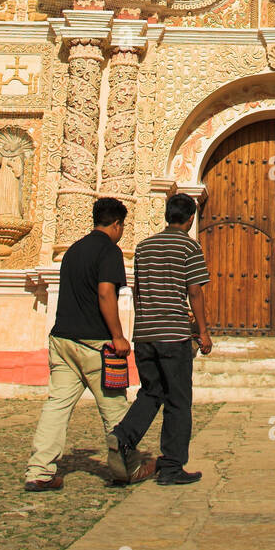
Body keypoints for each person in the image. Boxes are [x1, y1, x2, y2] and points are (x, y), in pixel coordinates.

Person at [24, 197, 153, 491]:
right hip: (95, 343)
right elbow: (106, 293)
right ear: (117, 224)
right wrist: (118, 336)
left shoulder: (72, 251)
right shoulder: (110, 251)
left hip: (62, 339)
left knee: (57, 406)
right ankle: (126, 468)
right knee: (115, 408)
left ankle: (39, 471)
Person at [108, 193, 212, 487]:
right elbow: (195, 291)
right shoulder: (189, 247)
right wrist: (202, 331)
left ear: (167, 214)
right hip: (174, 334)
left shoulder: (143, 247)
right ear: (191, 218)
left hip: (145, 335)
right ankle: (171, 467)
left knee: (151, 393)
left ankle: (123, 436)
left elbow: (138, 290)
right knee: (179, 401)